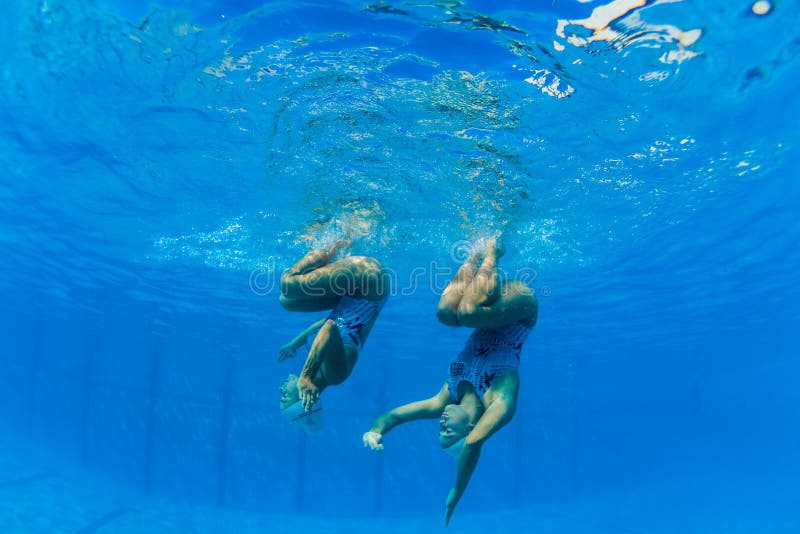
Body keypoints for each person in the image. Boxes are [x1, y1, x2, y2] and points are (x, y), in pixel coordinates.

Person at [362, 237, 537, 525]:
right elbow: (474, 444)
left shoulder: (447, 394)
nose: (441, 424)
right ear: (469, 428)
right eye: (448, 432)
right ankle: (493, 251)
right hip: (519, 308)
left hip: (485, 306)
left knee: (446, 313)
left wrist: (375, 431)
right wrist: (457, 491)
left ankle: (474, 254)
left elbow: (395, 416)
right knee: (468, 313)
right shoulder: (498, 395)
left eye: (440, 430)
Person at [278, 241, 389, 427]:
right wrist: (305, 375)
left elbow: (324, 324)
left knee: (287, 301)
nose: (281, 390)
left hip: (354, 292)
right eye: (284, 397)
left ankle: (339, 251)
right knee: (288, 285)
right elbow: (329, 328)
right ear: (303, 399)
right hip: (369, 280)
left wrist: (293, 345)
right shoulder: (335, 375)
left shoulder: (321, 370)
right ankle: (333, 242)